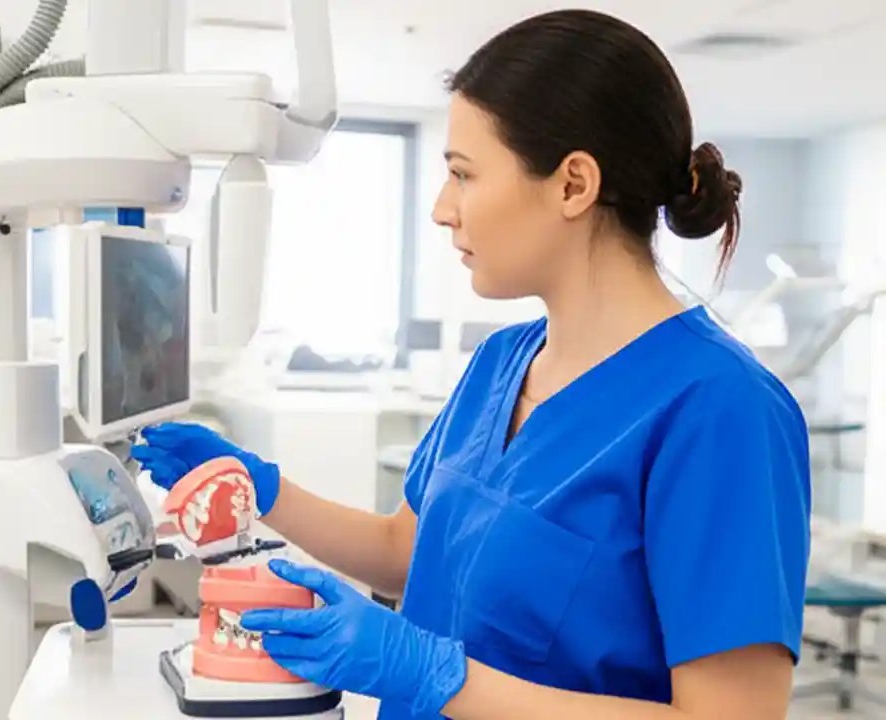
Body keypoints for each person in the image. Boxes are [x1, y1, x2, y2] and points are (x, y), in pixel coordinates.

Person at [132, 9, 810, 720]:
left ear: (573, 185)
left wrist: (437, 676)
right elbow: (407, 549)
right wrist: (260, 487)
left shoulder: (721, 411)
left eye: (463, 175)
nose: (441, 209)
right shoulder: (502, 362)